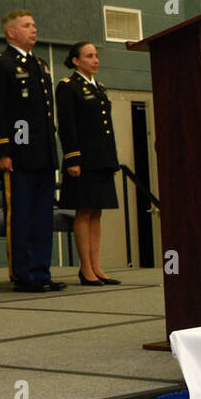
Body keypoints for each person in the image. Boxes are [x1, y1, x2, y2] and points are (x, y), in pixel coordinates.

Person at [0, 10, 64, 293]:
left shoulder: (40, 65)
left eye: (34, 25)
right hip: (17, 156)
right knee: (21, 216)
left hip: (42, 154)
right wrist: (0, 149)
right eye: (27, 25)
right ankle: (24, 273)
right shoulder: (0, 64)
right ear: (11, 32)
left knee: (43, 217)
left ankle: (41, 271)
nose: (33, 29)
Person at [56, 41, 121, 286]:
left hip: (101, 159)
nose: (95, 60)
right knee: (83, 210)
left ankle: (96, 264)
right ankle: (85, 268)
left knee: (97, 211)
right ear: (76, 60)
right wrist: (72, 157)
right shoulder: (68, 87)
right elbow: (68, 124)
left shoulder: (99, 87)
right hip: (83, 160)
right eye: (89, 56)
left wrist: (112, 161)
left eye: (96, 56)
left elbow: (107, 129)